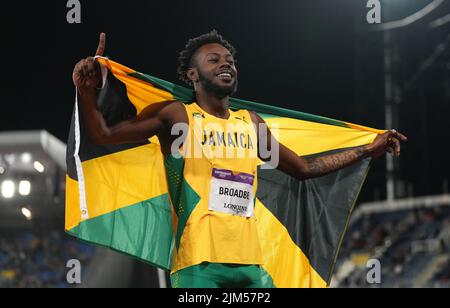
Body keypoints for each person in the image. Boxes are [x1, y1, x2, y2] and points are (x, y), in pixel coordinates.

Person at [72, 30, 407, 288]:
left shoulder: (250, 123)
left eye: (229, 60)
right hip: (198, 265)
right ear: (192, 75)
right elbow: (105, 136)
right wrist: (86, 92)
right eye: (213, 60)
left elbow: (303, 169)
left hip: (252, 265)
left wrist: (366, 150)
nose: (225, 64)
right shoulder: (179, 117)